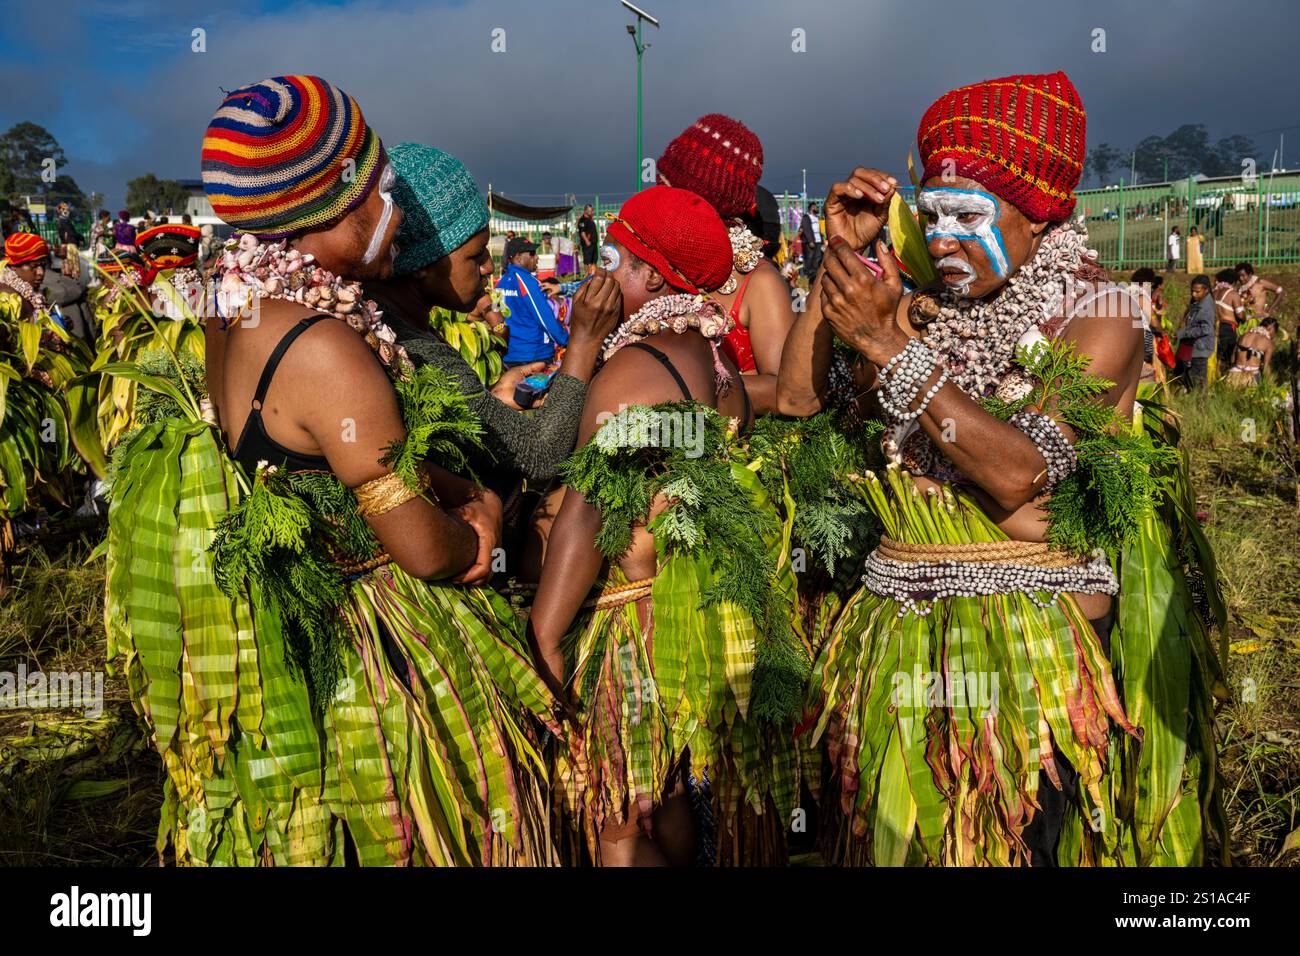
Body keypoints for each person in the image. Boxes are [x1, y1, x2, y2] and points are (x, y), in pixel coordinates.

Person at [106, 75, 558, 867]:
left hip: (303, 628)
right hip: (371, 655)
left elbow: (320, 460)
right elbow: (422, 548)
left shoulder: (232, 304)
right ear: (342, 206)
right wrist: (475, 527)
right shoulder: (325, 347)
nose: (399, 212)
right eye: (385, 188)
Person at [778, 70, 1221, 867]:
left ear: (1040, 215)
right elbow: (798, 399)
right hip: (904, 641)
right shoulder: (933, 308)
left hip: (1032, 655)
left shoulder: (1105, 313)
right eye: (931, 216)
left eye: (968, 217)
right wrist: (839, 258)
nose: (941, 241)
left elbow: (1021, 474)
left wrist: (891, 350)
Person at [528, 185, 804, 866]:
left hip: (636, 628)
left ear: (650, 275)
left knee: (620, 825)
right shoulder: (710, 360)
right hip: (684, 616)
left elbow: (590, 507)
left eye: (616, 258)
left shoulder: (633, 368)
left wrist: (547, 632)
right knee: (674, 798)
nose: (603, 273)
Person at [363, 142, 619, 486]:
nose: (488, 267)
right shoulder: (410, 347)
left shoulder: (400, 323)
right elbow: (539, 455)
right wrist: (584, 342)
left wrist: (491, 401)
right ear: (422, 262)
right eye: (475, 256)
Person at [655, 113, 797, 415]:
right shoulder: (653, 263)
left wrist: (691, 391)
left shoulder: (758, 282)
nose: (657, 204)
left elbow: (785, 389)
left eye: (669, 195)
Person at [497, 235, 568, 366]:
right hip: (535, 355)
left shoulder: (501, 283)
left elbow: (496, 316)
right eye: (532, 254)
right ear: (518, 257)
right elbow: (544, 318)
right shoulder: (528, 282)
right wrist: (566, 341)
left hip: (510, 356)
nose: (537, 257)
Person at [1175, 274, 1216, 387]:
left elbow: (1206, 329)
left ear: (1206, 290)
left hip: (1200, 348)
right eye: (1192, 291)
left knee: (1198, 381)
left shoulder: (1206, 307)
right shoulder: (1200, 302)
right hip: (1195, 347)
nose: (1193, 294)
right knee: (1188, 377)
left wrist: (1184, 333)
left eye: (1197, 292)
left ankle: (1200, 402)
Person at [1, 233, 50, 318]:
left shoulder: (33, 292)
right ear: (14, 266)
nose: (40, 272)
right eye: (34, 266)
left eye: (43, 266)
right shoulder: (6, 297)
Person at [1225, 317, 1276, 387]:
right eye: (1274, 333)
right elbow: (1265, 367)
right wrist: (1270, 385)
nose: (1273, 337)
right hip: (1251, 378)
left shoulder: (1243, 336)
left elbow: (1233, 358)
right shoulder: (1269, 343)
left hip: (1234, 375)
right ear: (1270, 329)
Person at [1213, 268, 1244, 374]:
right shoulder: (1232, 293)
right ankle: (1222, 380)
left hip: (1214, 327)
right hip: (1227, 328)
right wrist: (1244, 317)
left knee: (1216, 356)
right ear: (1234, 282)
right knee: (1226, 357)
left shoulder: (1213, 292)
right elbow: (1240, 314)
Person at [800, 201, 823, 279]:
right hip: (811, 241)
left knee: (817, 257)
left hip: (818, 240)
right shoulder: (806, 217)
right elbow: (807, 229)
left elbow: (819, 229)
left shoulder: (816, 217)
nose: (817, 208)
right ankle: (808, 273)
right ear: (811, 208)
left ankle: (814, 272)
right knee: (809, 257)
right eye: (815, 207)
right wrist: (810, 241)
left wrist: (822, 239)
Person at [577, 203, 598, 276]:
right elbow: (582, 232)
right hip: (587, 244)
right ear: (585, 210)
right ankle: (586, 276)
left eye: (592, 210)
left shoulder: (590, 219)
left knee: (594, 260)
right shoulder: (582, 220)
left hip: (593, 243)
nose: (592, 212)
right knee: (587, 261)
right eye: (590, 211)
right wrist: (587, 241)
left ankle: (593, 275)